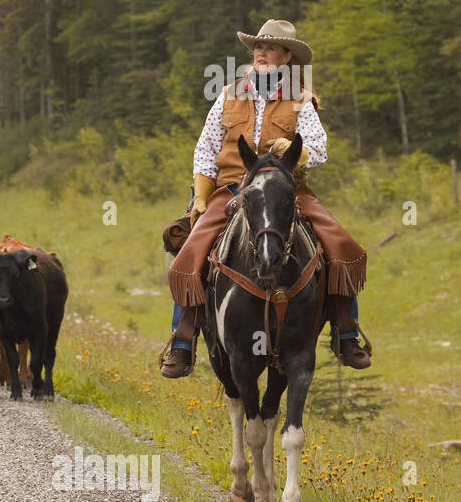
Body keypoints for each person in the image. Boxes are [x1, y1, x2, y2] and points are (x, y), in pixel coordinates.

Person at [159, 19, 371, 378]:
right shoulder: (227, 95)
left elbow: (319, 148)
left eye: (270, 48)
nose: (261, 53)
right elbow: (205, 150)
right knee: (190, 253)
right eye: (257, 47)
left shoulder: (301, 100)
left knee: (342, 247)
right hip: (231, 188)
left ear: (287, 57)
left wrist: (295, 151)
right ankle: (182, 342)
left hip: (287, 190)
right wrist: (200, 195)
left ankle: (347, 333)